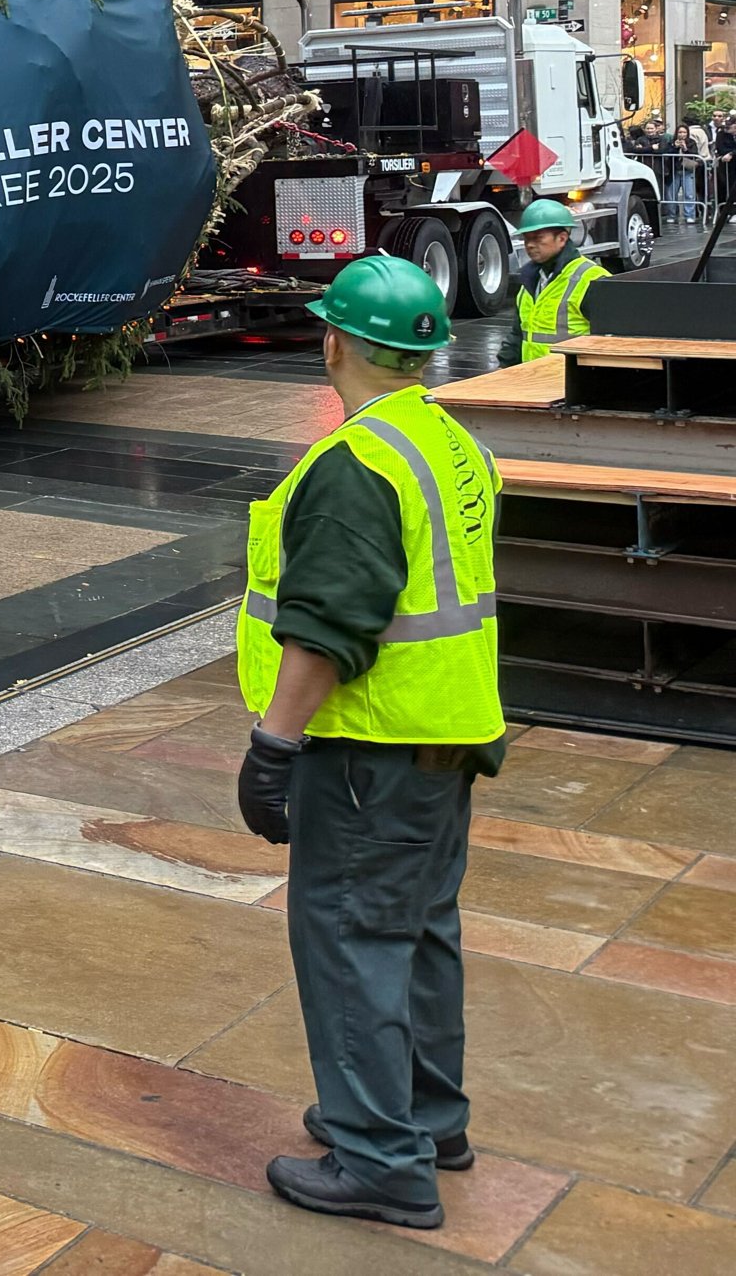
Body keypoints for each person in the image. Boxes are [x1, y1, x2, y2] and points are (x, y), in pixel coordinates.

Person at [237, 254, 502, 1230]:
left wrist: (274, 745)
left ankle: (380, 1158)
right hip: (449, 735)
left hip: (368, 754)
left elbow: (327, 628)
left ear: (335, 341)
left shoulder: (357, 466)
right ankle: (429, 1119)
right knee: (420, 936)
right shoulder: (452, 443)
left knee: (351, 943)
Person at [512, 199, 603, 362]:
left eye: (538, 238)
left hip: (573, 382)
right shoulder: (529, 280)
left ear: (561, 239)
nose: (530, 245)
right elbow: (518, 335)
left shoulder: (590, 279)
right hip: (534, 380)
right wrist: (504, 368)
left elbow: (609, 340)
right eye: (527, 238)